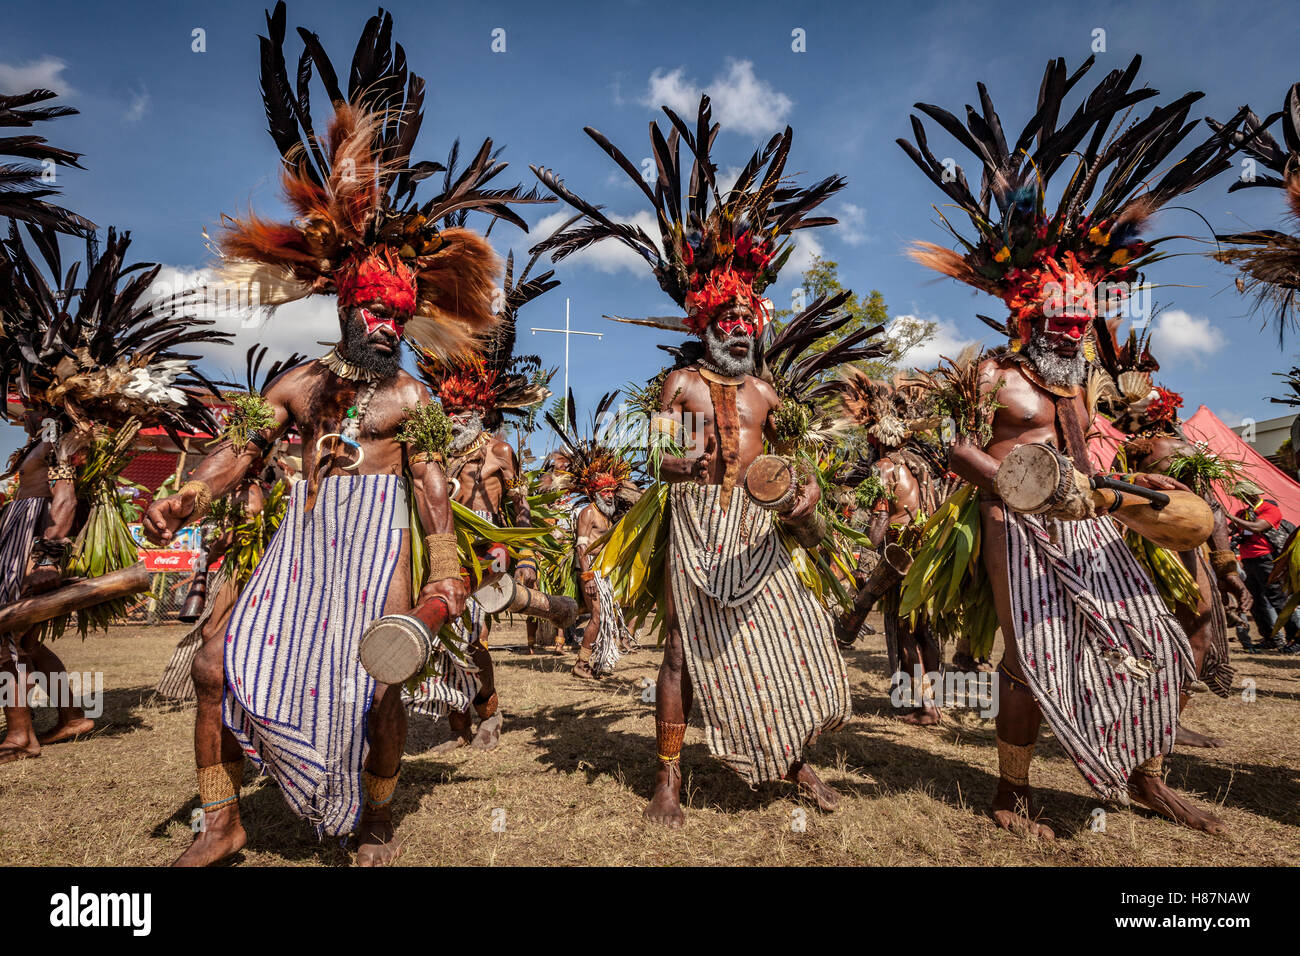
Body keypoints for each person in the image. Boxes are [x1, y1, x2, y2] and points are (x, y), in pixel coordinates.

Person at [141, 2, 539, 866]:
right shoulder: (301, 382)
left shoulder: (409, 398)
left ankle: (377, 817)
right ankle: (223, 820)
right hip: (302, 540)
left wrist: (444, 570)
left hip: (375, 547)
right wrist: (190, 491)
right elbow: (241, 446)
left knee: (382, 684)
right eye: (370, 313)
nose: (384, 329)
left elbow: (434, 495)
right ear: (344, 306)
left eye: (397, 317)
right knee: (216, 662)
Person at [899, 54, 1239, 836]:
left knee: (1155, 634)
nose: (1072, 328)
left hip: (1091, 518)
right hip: (1012, 523)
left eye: (1081, 318)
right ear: (1026, 314)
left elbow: (1090, 454)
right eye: (1058, 316)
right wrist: (1019, 485)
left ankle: (1149, 777)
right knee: (1029, 655)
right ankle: (1011, 791)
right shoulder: (994, 371)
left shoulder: (1079, 380)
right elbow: (953, 448)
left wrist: (1125, 488)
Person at [534, 94, 856, 826]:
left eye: (748, 322)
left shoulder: (769, 394)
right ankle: (669, 780)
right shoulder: (680, 383)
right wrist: (702, 458)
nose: (739, 332)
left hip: (755, 530)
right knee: (680, 652)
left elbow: (793, 467)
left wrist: (793, 487)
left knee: (789, 636)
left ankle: (795, 758)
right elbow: (666, 466)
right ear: (703, 323)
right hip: (695, 522)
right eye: (727, 322)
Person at [411, 250, 555, 748]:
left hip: (485, 553)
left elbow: (519, 506)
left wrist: (526, 558)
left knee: (470, 635)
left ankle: (488, 714)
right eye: (449, 401)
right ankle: (457, 724)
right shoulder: (428, 446)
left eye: (465, 402)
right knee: (438, 631)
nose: (456, 409)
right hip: (437, 543)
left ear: (484, 401)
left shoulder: (498, 448)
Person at [544, 391, 640, 679]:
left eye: (612, 491)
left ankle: (597, 663)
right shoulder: (588, 513)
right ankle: (581, 664)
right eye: (605, 492)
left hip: (607, 570)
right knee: (598, 616)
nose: (609, 495)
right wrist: (587, 579)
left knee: (609, 617)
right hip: (592, 572)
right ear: (595, 493)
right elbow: (581, 548)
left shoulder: (611, 513)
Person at [1226, 482, 1300, 652]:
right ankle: (1270, 638)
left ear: (1251, 495)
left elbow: (1257, 527)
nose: (1240, 498)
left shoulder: (1268, 509)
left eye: (1242, 495)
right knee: (1255, 600)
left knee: (1277, 599)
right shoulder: (1242, 513)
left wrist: (1231, 517)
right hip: (1249, 561)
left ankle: (1295, 638)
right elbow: (1229, 530)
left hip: (1267, 560)